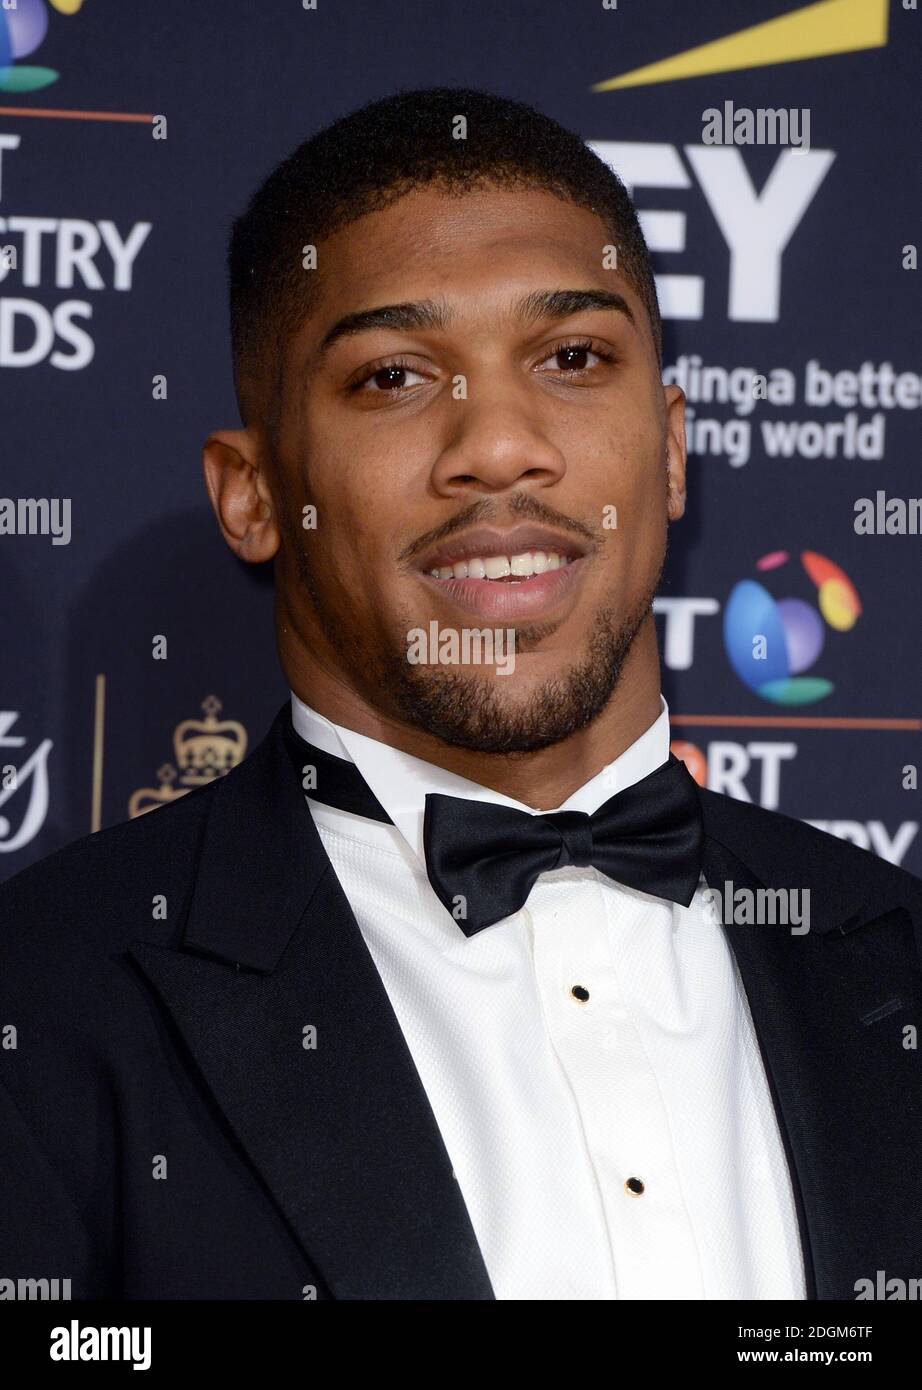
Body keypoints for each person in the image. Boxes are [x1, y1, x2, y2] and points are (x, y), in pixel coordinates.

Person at [1, 87, 920, 1302]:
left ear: (671, 444)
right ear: (254, 493)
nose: (496, 443)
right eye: (391, 376)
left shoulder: (893, 956)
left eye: (574, 357)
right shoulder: (46, 1000)